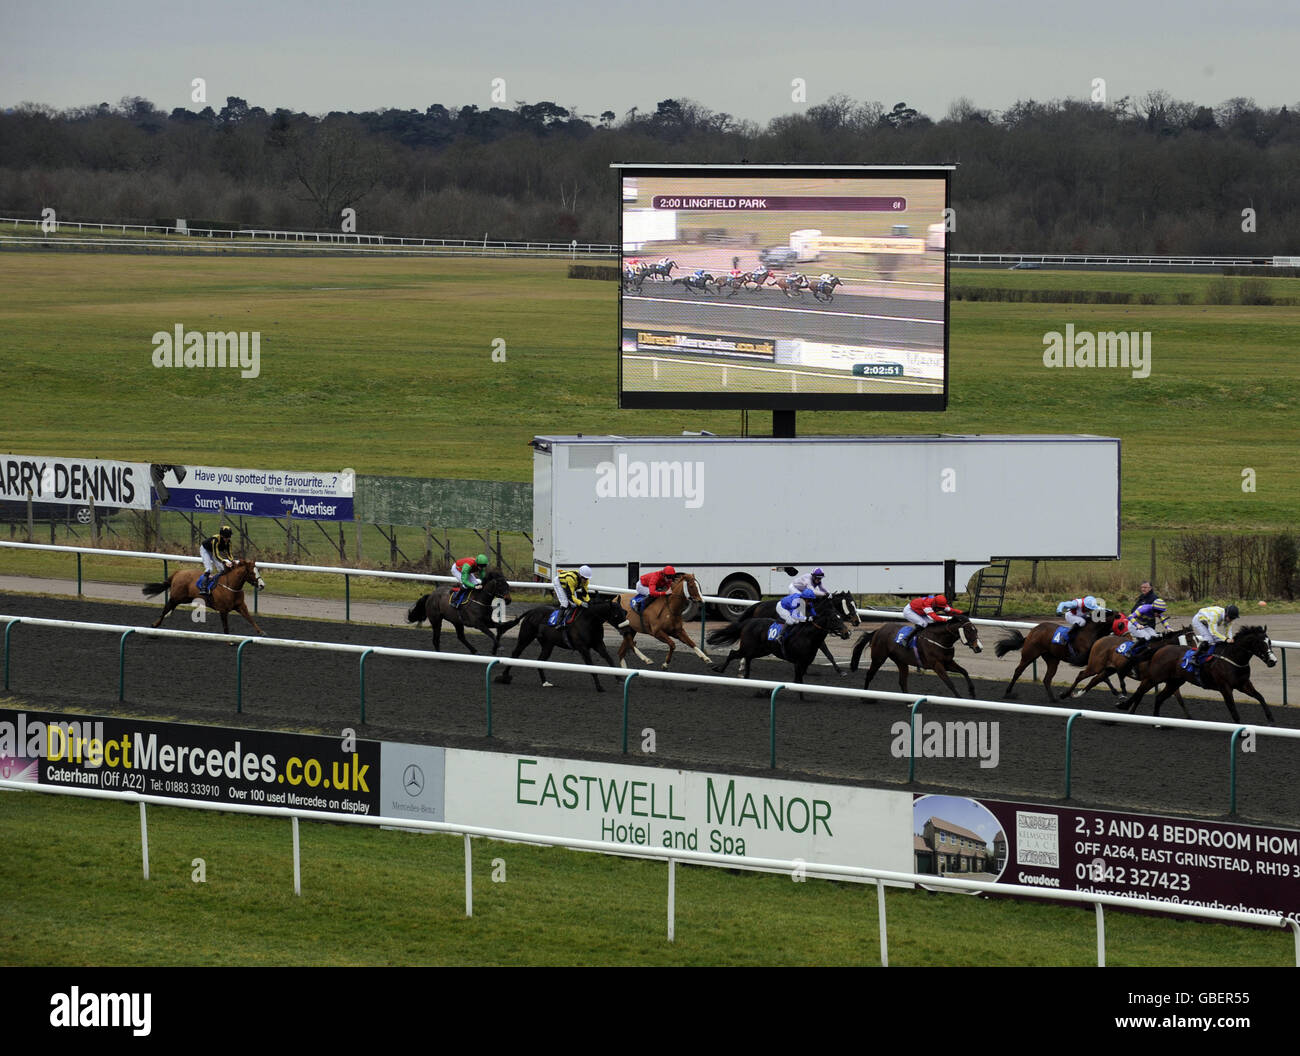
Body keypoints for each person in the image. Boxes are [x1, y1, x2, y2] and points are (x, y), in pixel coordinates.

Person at [1117, 598, 1170, 677]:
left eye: (1161, 612)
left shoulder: (1157, 611)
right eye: (1159, 612)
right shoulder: (1144, 608)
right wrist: (1137, 625)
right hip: (1133, 625)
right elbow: (1130, 617)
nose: (1159, 614)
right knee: (1147, 637)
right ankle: (1130, 651)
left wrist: (1168, 627)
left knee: (1155, 637)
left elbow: (1163, 619)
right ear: (1154, 608)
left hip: (1145, 626)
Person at [197, 525, 234, 594]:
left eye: (229, 537)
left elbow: (229, 554)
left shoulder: (229, 542)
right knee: (209, 569)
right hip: (205, 550)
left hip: (213, 552)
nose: (228, 539)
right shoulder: (215, 540)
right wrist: (224, 561)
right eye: (226, 537)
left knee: (222, 569)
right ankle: (203, 587)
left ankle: (217, 583)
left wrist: (232, 561)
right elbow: (216, 555)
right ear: (222, 536)